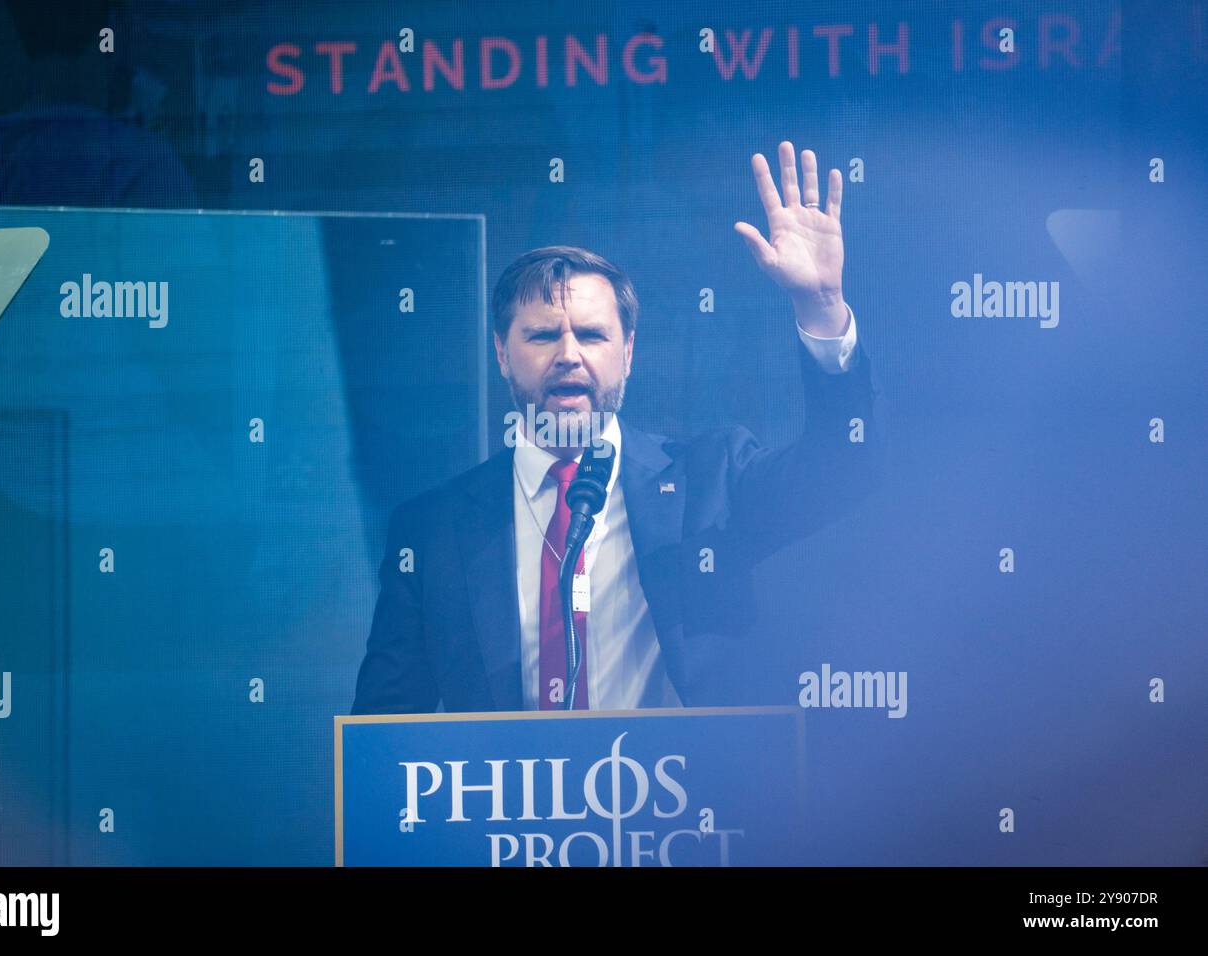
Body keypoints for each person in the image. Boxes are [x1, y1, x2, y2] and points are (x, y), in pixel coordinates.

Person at [352, 141, 880, 713]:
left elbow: (844, 470)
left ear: (628, 353)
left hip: (684, 798)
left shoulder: (711, 479)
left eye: (593, 335)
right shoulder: (433, 531)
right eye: (542, 336)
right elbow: (383, 732)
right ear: (502, 354)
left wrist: (823, 307)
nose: (569, 355)